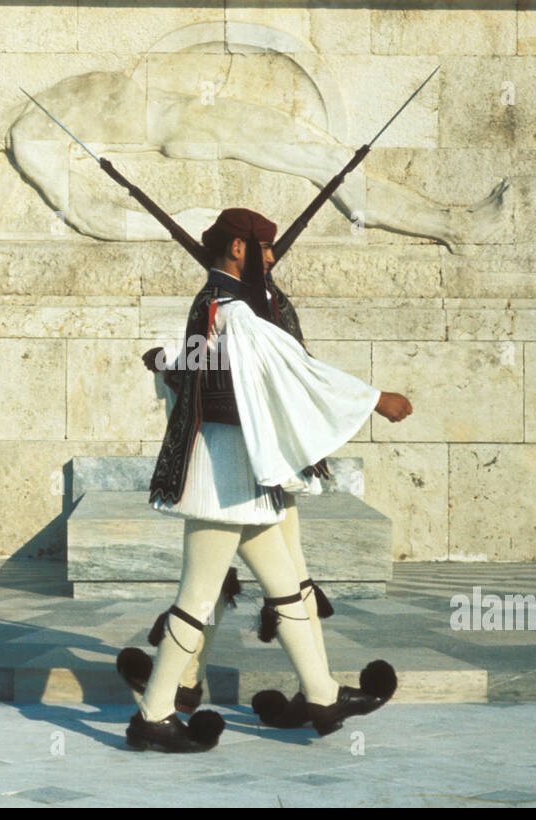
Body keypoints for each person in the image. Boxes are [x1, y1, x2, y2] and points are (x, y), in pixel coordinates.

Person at [122, 207, 412, 752]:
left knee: (284, 584)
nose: (272, 258)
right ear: (238, 249)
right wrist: (377, 399)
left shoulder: (215, 306)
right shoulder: (237, 313)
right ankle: (155, 714)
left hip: (243, 475)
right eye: (265, 248)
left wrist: (163, 357)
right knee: (196, 597)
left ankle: (322, 696)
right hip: (224, 478)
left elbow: (200, 361)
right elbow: (299, 371)